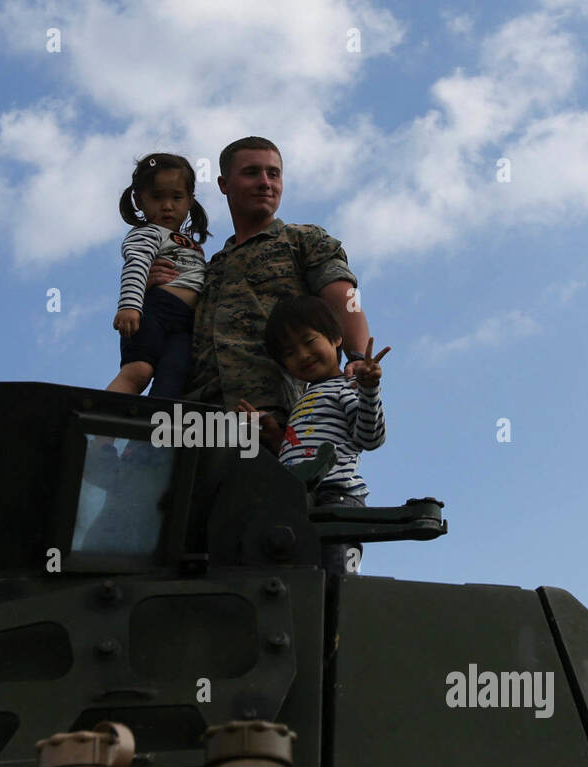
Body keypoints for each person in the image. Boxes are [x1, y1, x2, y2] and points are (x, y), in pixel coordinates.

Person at [145, 137, 371, 448]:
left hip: (270, 421)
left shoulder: (303, 240)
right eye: (252, 173)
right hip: (195, 425)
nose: (265, 183)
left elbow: (344, 297)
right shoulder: (206, 269)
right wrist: (155, 286)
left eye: (273, 174)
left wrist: (357, 356)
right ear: (224, 184)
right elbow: (168, 327)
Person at [238, 296, 389, 575]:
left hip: (337, 495)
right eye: (290, 353)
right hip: (299, 496)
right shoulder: (302, 401)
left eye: (309, 342)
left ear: (335, 338)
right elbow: (300, 447)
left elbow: (371, 438)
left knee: (336, 569)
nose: (303, 355)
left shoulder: (346, 388)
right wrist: (274, 433)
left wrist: (369, 389)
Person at [107, 153, 210, 397]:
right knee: (138, 371)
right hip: (156, 311)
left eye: (177, 197)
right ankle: (95, 430)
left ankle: (152, 432)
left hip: (186, 324)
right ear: (139, 200)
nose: (167, 205)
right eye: (157, 197)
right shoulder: (147, 233)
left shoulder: (193, 246)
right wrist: (130, 306)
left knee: (174, 375)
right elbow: (137, 264)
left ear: (190, 201)